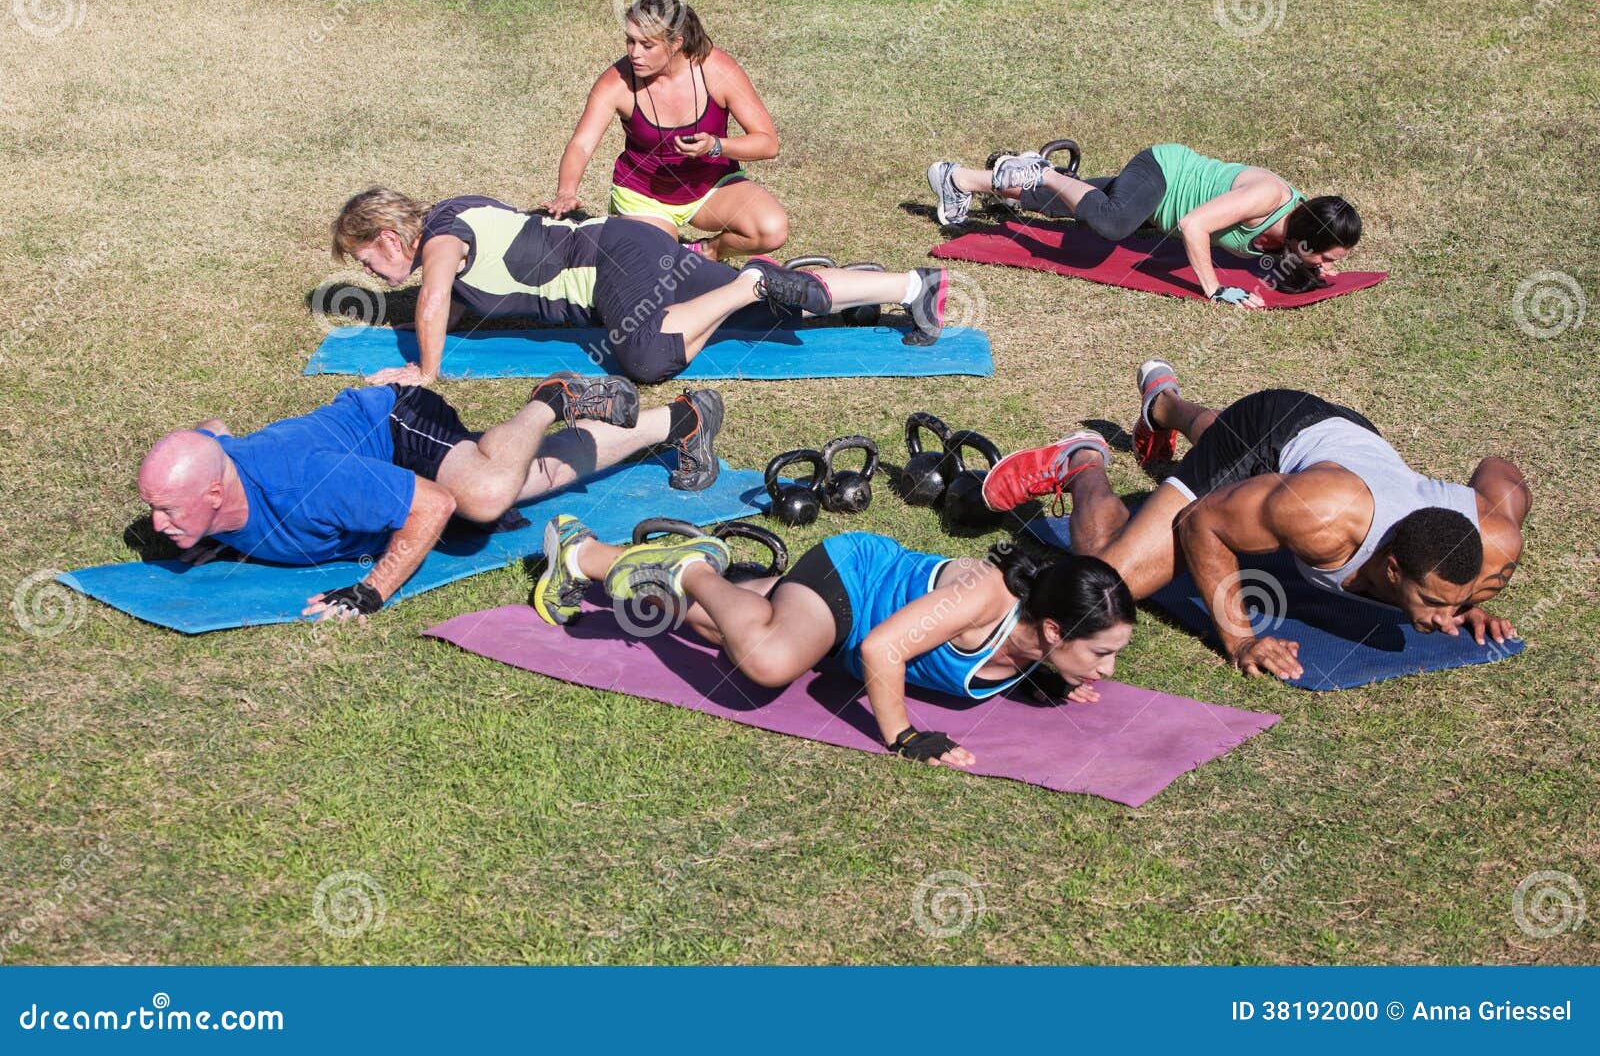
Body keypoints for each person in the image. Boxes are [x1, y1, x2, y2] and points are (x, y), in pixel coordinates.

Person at [980, 361, 1530, 680]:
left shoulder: (1494, 544)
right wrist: (1241, 640)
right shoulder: (1322, 519)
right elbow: (1204, 524)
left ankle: (1164, 405)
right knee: (1107, 579)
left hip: (1344, 445)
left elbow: (1501, 471)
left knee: (1254, 489)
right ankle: (1081, 462)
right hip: (1272, 431)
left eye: (1452, 603)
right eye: (1433, 602)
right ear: (1390, 567)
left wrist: (1468, 599)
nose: (1445, 617)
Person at [531, 517, 1135, 767]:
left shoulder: (1038, 643)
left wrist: (1051, 675)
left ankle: (579, 552)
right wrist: (902, 735)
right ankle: (691, 566)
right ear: (1054, 629)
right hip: (850, 581)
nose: (1106, 668)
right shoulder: (980, 596)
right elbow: (882, 650)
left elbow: (1018, 653)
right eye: (1101, 652)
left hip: (837, 632)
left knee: (701, 622)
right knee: (767, 660)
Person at [136, 374, 724, 620]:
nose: (158, 524)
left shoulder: (302, 485)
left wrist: (371, 591)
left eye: (169, 509)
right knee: (524, 480)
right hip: (369, 462)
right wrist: (205, 529)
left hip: (398, 423)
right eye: (157, 508)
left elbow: (431, 506)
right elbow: (212, 431)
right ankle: (678, 421)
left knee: (485, 496)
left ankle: (550, 398)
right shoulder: (216, 486)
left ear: (215, 490)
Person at [331, 188, 950, 385]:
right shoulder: (456, 210)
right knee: (778, 320)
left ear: (390, 236)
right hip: (633, 247)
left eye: (366, 262)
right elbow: (462, 301)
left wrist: (425, 371)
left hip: (616, 266)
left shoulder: (440, 243)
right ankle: (906, 286)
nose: (371, 276)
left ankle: (752, 284)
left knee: (647, 358)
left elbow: (437, 297)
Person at [927, 143, 1362, 307]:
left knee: (1066, 208)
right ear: (1304, 237)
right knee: (1112, 225)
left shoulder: (1305, 236)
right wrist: (1214, 288)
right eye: (1323, 255)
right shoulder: (1265, 198)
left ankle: (959, 178)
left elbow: (1309, 253)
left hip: (1155, 208)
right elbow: (1194, 226)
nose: (1323, 264)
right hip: (1162, 171)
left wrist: (1317, 266)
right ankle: (1044, 171)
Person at [545, 0, 786, 260]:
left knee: (771, 229)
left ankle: (708, 252)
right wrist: (566, 191)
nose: (634, 53)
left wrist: (716, 146)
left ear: (676, 44)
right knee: (660, 263)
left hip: (711, 187)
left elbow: (768, 143)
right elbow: (582, 144)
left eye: (646, 45)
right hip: (643, 196)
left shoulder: (715, 69)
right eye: (630, 41)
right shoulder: (617, 82)